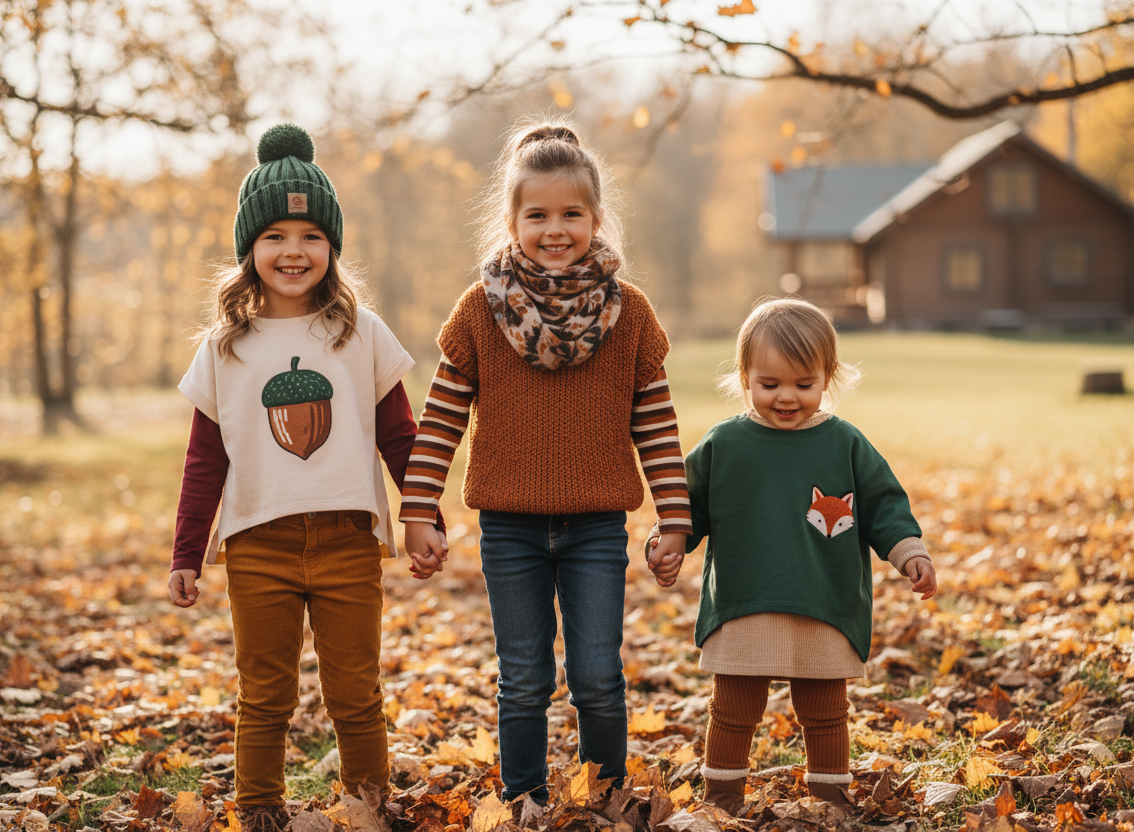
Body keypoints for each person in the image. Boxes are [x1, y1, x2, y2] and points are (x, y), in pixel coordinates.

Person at [398, 119, 691, 804]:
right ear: (511, 220)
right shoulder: (480, 311)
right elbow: (440, 420)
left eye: (571, 214)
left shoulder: (629, 313)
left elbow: (657, 425)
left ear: (595, 219)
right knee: (523, 675)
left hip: (595, 526)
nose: (555, 229)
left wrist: (673, 519)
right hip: (510, 527)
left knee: (597, 674)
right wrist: (418, 511)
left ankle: (606, 790)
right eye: (537, 214)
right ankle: (523, 795)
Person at [167, 124, 444, 832]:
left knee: (356, 689)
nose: (294, 251)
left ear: (333, 247)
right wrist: (187, 552)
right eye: (276, 236)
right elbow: (206, 460)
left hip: (350, 539)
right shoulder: (226, 347)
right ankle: (259, 808)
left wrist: (423, 517)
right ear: (249, 249)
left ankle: (369, 804)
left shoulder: (360, 332)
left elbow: (400, 437)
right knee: (265, 691)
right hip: (258, 544)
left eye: (312, 236)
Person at [652, 297, 938, 813]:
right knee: (734, 708)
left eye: (803, 385)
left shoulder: (845, 443)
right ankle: (721, 798)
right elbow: (686, 504)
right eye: (770, 385)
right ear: (744, 376)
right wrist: (667, 542)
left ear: (827, 377)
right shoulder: (725, 444)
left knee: (825, 710)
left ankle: (830, 797)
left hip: (823, 598)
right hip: (745, 598)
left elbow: (883, 505)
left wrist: (908, 552)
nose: (787, 397)